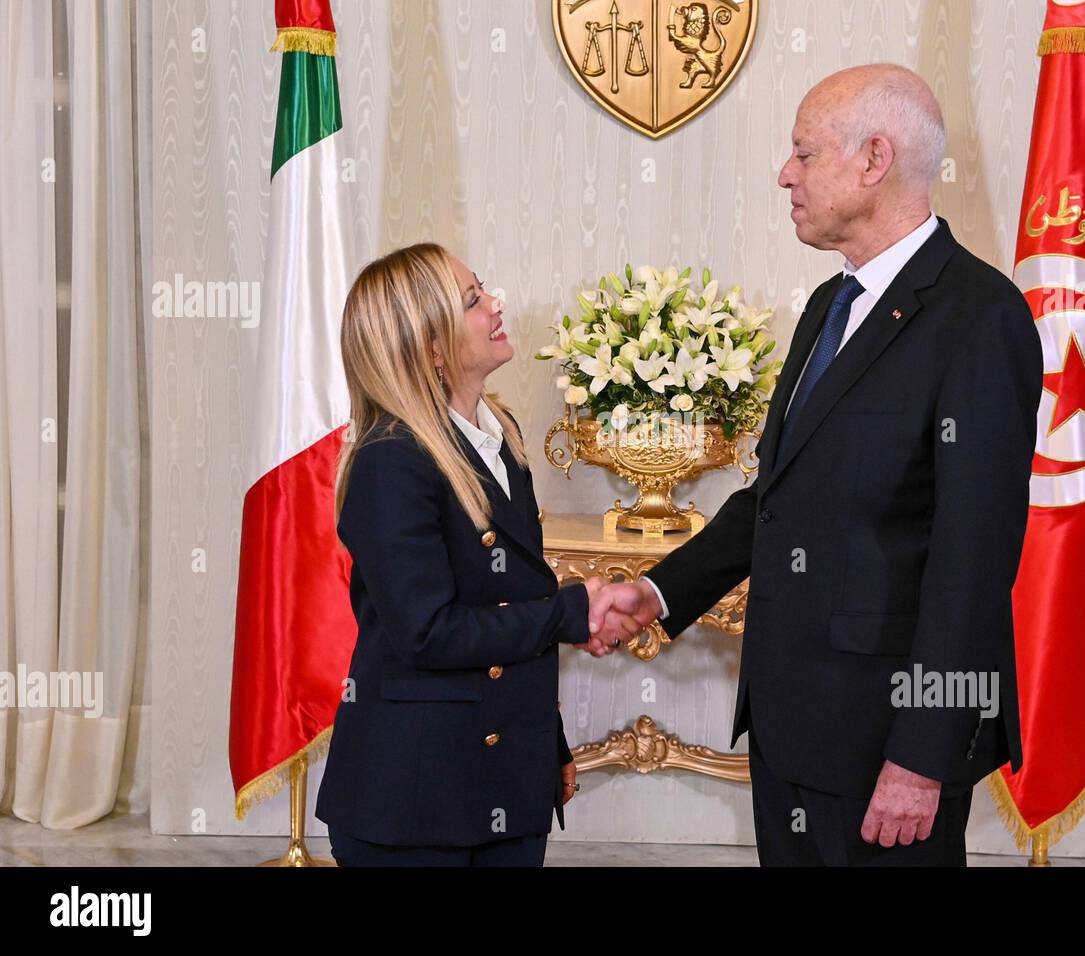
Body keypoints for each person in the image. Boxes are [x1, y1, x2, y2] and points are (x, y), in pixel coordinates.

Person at [585, 64, 1043, 866]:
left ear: (873, 159)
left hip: (887, 750)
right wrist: (659, 591)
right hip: (794, 728)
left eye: (803, 154)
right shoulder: (832, 307)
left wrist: (923, 757)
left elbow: (973, 562)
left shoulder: (979, 318)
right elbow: (776, 496)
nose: (784, 176)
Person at [315, 243, 640, 866]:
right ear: (431, 348)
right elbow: (429, 633)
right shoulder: (392, 460)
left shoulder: (502, 434)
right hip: (416, 801)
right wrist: (573, 613)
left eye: (481, 289)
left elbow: (516, 600)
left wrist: (549, 745)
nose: (496, 304)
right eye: (472, 300)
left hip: (503, 782)